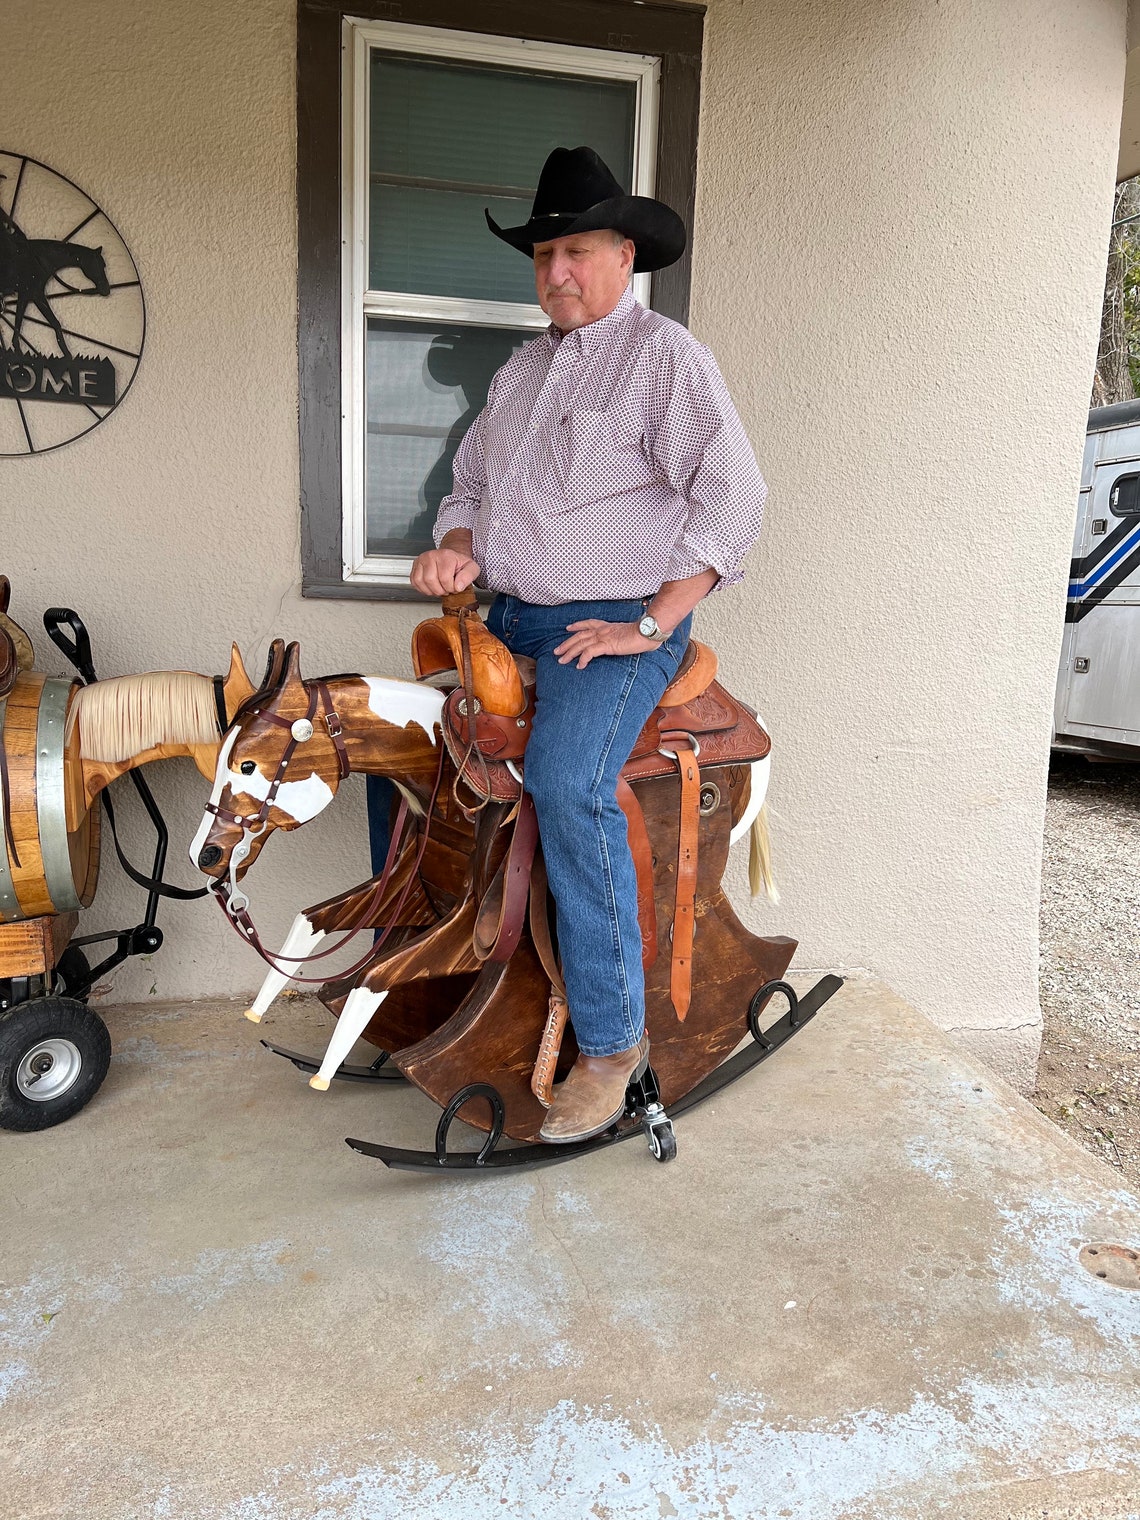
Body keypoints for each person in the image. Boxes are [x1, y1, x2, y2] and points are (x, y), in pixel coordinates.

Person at [411, 146, 767, 1143]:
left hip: (608, 628)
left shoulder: (665, 359)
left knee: (569, 784)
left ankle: (613, 1047)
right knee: (412, 748)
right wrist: (454, 548)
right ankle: (430, 973)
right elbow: (469, 489)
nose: (558, 271)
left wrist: (650, 623)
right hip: (507, 617)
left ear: (623, 257)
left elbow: (735, 498)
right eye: (544, 255)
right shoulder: (521, 371)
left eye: (577, 251)